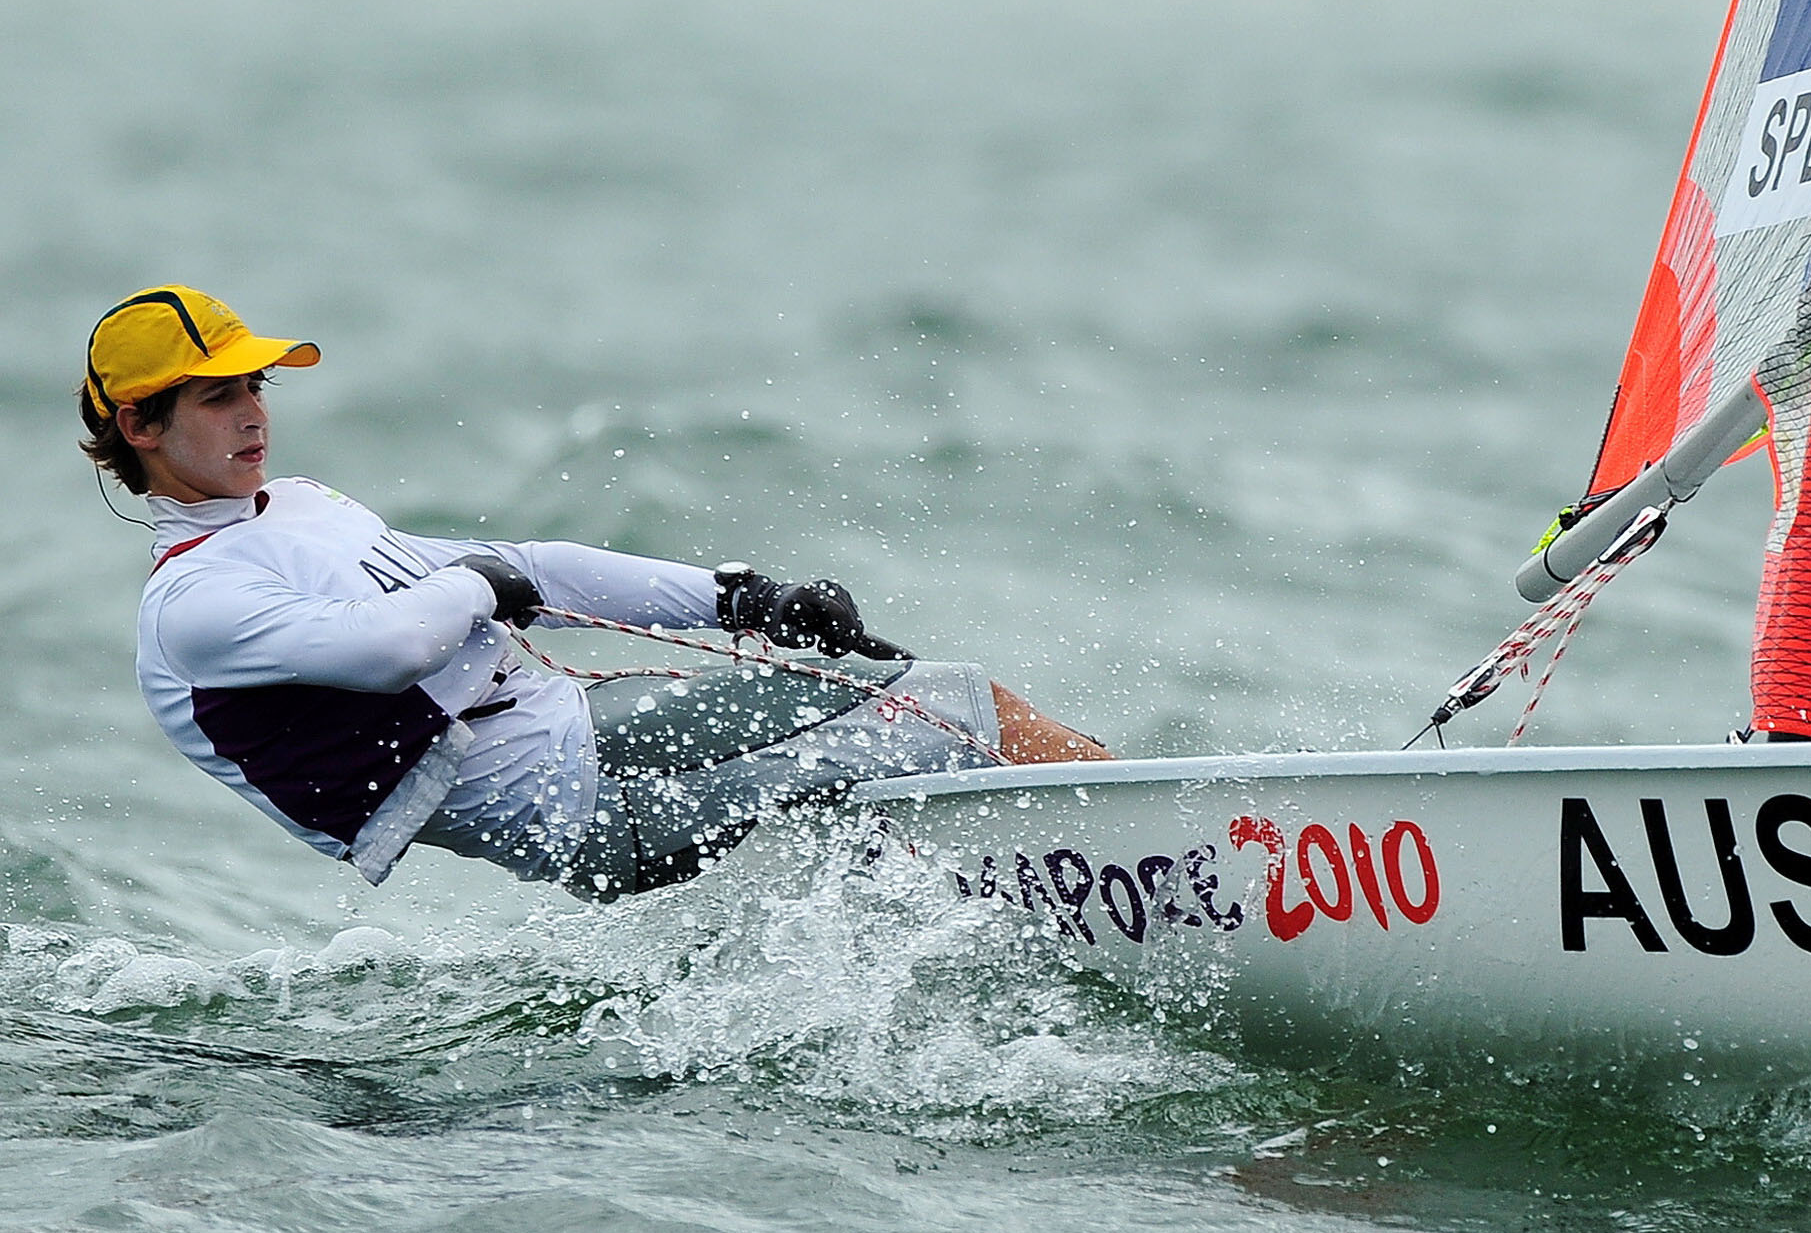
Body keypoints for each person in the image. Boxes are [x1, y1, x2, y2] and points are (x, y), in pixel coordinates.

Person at [79, 285, 1109, 897]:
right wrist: (481, 584)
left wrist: (747, 598)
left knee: (914, 784)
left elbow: (536, 568)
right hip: (593, 802)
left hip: (603, 736)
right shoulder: (190, 607)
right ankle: (1223, 845)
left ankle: (1100, 893)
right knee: (958, 707)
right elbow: (391, 648)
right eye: (220, 396)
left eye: (259, 385)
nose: (254, 412)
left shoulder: (297, 509)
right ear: (140, 426)